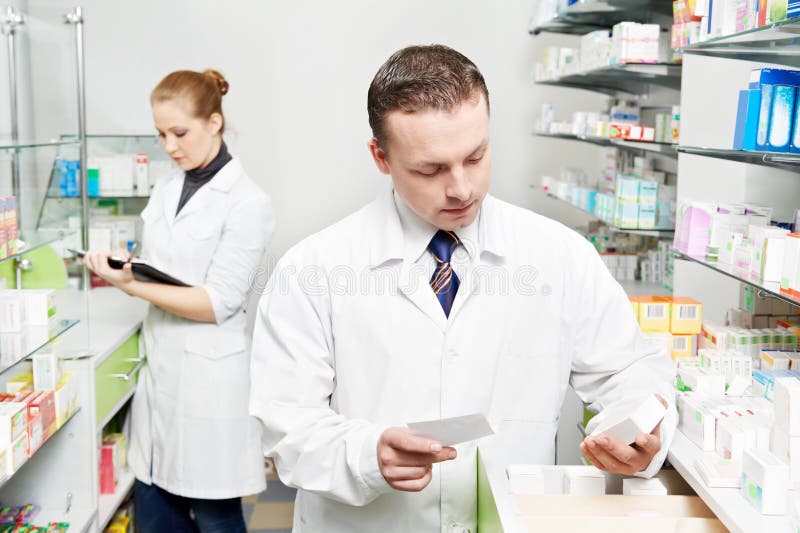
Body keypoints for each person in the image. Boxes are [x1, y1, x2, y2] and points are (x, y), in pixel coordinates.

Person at [249, 45, 676, 532]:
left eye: (475, 157)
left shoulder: (560, 255)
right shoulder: (313, 269)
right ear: (381, 157)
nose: (462, 189)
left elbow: (629, 370)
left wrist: (638, 430)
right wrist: (367, 455)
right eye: (430, 170)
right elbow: (286, 426)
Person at [84, 69, 274, 533]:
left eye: (179, 133)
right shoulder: (168, 186)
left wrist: (129, 285)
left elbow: (216, 302)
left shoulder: (247, 202)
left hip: (210, 377)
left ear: (214, 122)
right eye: (161, 134)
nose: (169, 146)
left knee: (214, 516)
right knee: (154, 511)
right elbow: (165, 261)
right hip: (161, 368)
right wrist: (129, 265)